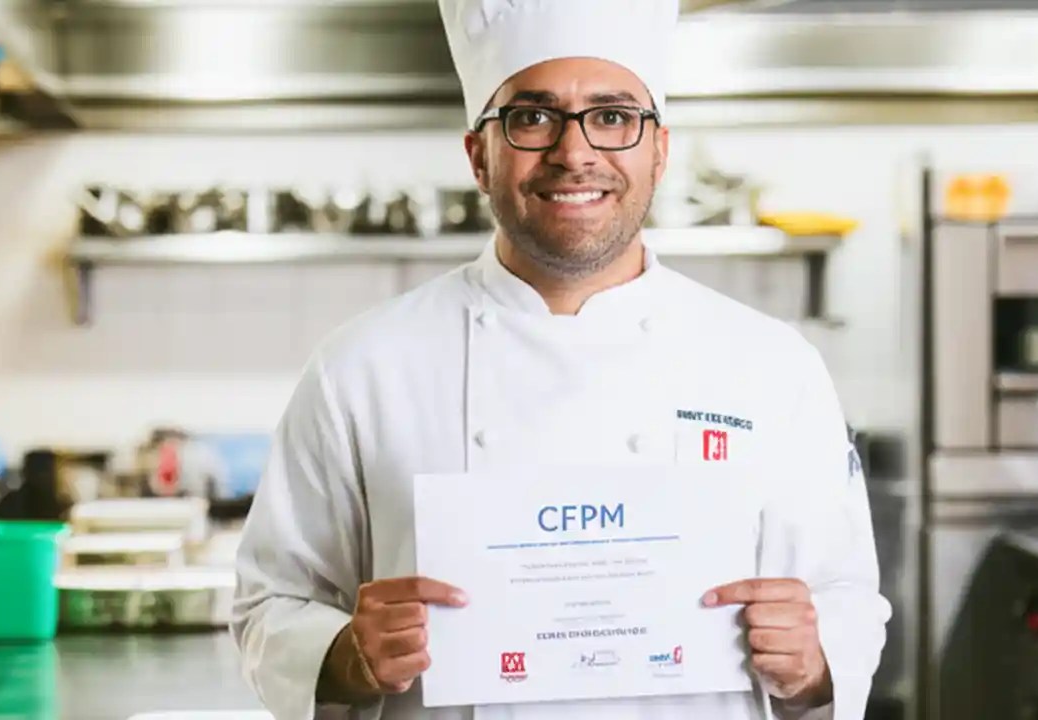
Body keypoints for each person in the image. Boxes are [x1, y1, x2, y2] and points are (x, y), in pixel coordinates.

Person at [230, 0, 891, 718]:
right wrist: (345, 656)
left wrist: (815, 660)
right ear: (479, 155)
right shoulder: (359, 370)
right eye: (532, 116)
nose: (574, 154)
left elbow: (847, 596)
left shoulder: (771, 367)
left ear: (659, 151)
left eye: (611, 116)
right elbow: (269, 604)